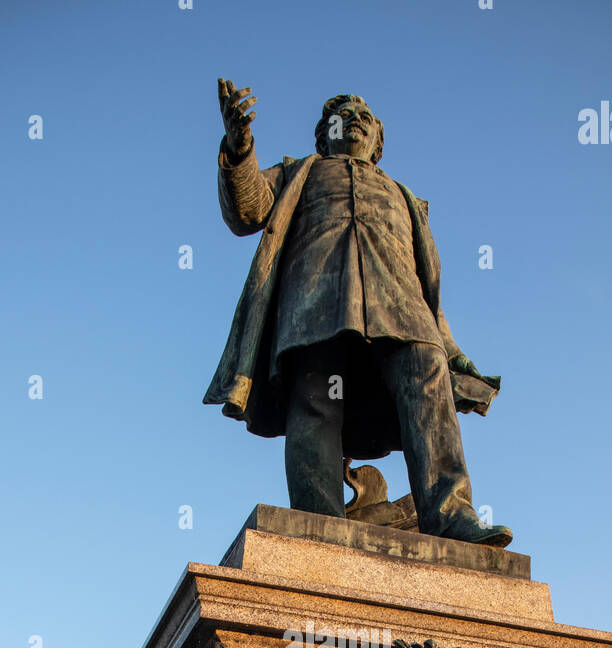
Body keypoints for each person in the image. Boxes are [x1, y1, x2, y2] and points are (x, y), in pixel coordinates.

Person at [205, 83, 512, 548]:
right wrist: (239, 147)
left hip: (401, 307)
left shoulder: (404, 196)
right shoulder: (299, 173)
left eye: (364, 119)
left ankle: (449, 513)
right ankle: (319, 519)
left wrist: (449, 345)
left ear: (378, 143)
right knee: (315, 398)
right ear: (322, 135)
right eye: (343, 115)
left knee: (428, 381)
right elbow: (247, 211)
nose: (354, 121)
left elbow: (428, 285)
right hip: (314, 301)